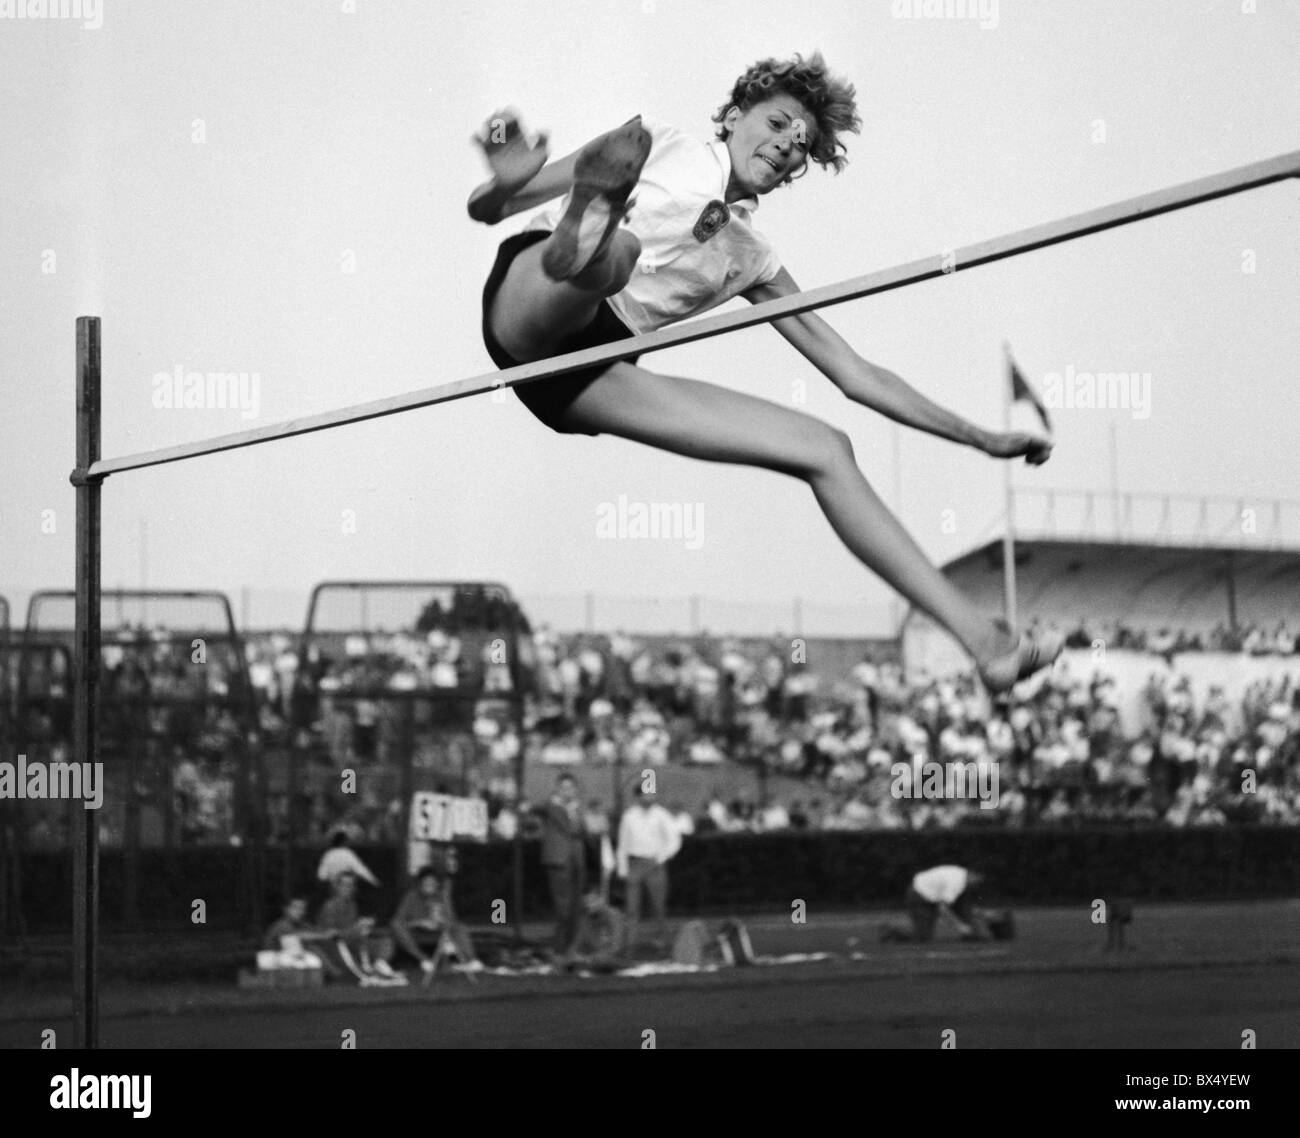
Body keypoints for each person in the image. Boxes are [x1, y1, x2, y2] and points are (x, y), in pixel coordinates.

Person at [469, 51, 1062, 694]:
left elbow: (856, 374)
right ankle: (592, 242)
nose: (786, 146)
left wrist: (982, 438)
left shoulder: (754, 259)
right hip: (528, 304)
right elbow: (489, 207)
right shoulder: (661, 143)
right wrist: (508, 179)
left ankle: (986, 645)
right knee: (613, 257)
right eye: (778, 124)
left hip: (593, 370)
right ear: (733, 116)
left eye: (800, 147)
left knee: (827, 449)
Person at [616, 786, 683, 955]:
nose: (650, 797)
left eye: (652, 794)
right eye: (646, 794)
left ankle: (661, 943)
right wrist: (623, 868)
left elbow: (675, 839)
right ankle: (630, 945)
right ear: (638, 797)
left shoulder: (661, 814)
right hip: (635, 863)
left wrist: (661, 858)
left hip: (655, 864)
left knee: (658, 906)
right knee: (631, 908)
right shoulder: (629, 816)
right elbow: (622, 844)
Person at [389, 857, 483, 977]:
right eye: (426, 883)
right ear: (420, 884)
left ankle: (471, 960)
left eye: (432, 883)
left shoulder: (441, 896)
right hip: (416, 933)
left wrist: (440, 921)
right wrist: (418, 923)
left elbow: (452, 919)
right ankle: (424, 959)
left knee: (460, 927)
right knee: (395, 925)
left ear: (437, 884)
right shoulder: (411, 896)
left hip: (439, 932)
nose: (429, 886)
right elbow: (399, 920)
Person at [314, 870, 407, 986]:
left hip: (352, 942)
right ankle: (366, 977)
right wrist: (356, 928)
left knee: (385, 939)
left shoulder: (352, 904)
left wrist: (364, 927)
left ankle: (380, 967)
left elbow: (354, 930)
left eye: (351, 885)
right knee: (344, 944)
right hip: (333, 947)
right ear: (336, 887)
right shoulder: (330, 906)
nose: (348, 888)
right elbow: (331, 935)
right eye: (344, 884)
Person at [539, 772, 587, 958]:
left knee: (576, 906)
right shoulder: (552, 806)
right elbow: (569, 827)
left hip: (576, 860)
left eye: (571, 788)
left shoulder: (576, 808)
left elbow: (584, 831)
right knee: (563, 906)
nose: (568, 791)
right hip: (559, 860)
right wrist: (572, 811)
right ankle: (559, 948)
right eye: (564, 788)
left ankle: (570, 948)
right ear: (557, 789)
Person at [897, 864, 987, 944]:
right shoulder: (956, 882)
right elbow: (943, 908)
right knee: (922, 936)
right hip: (919, 894)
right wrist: (960, 926)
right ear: (973, 874)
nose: (977, 884)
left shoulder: (961, 877)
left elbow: (961, 907)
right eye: (977, 880)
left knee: (925, 935)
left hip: (928, 894)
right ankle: (893, 936)